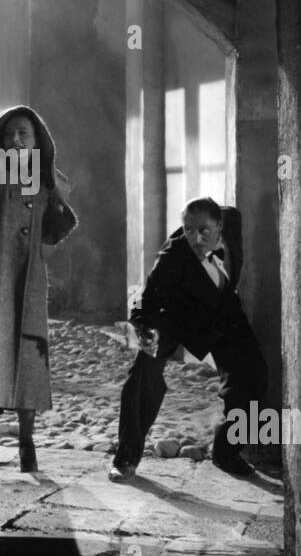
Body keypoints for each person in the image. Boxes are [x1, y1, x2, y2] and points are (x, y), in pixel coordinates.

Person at [0, 106, 77, 480]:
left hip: (27, 282)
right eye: (9, 134)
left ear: (37, 139)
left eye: (24, 133)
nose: (16, 140)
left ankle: (28, 443)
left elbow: (56, 227)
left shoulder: (46, 178)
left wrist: (53, 196)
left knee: (28, 362)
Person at [109, 196, 267, 480]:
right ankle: (126, 458)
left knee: (253, 375)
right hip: (175, 316)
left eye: (203, 230)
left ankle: (226, 453)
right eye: (188, 229)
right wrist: (145, 330)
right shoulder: (172, 256)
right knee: (143, 375)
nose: (195, 238)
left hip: (222, 314)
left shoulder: (232, 222)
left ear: (220, 225)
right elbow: (144, 301)